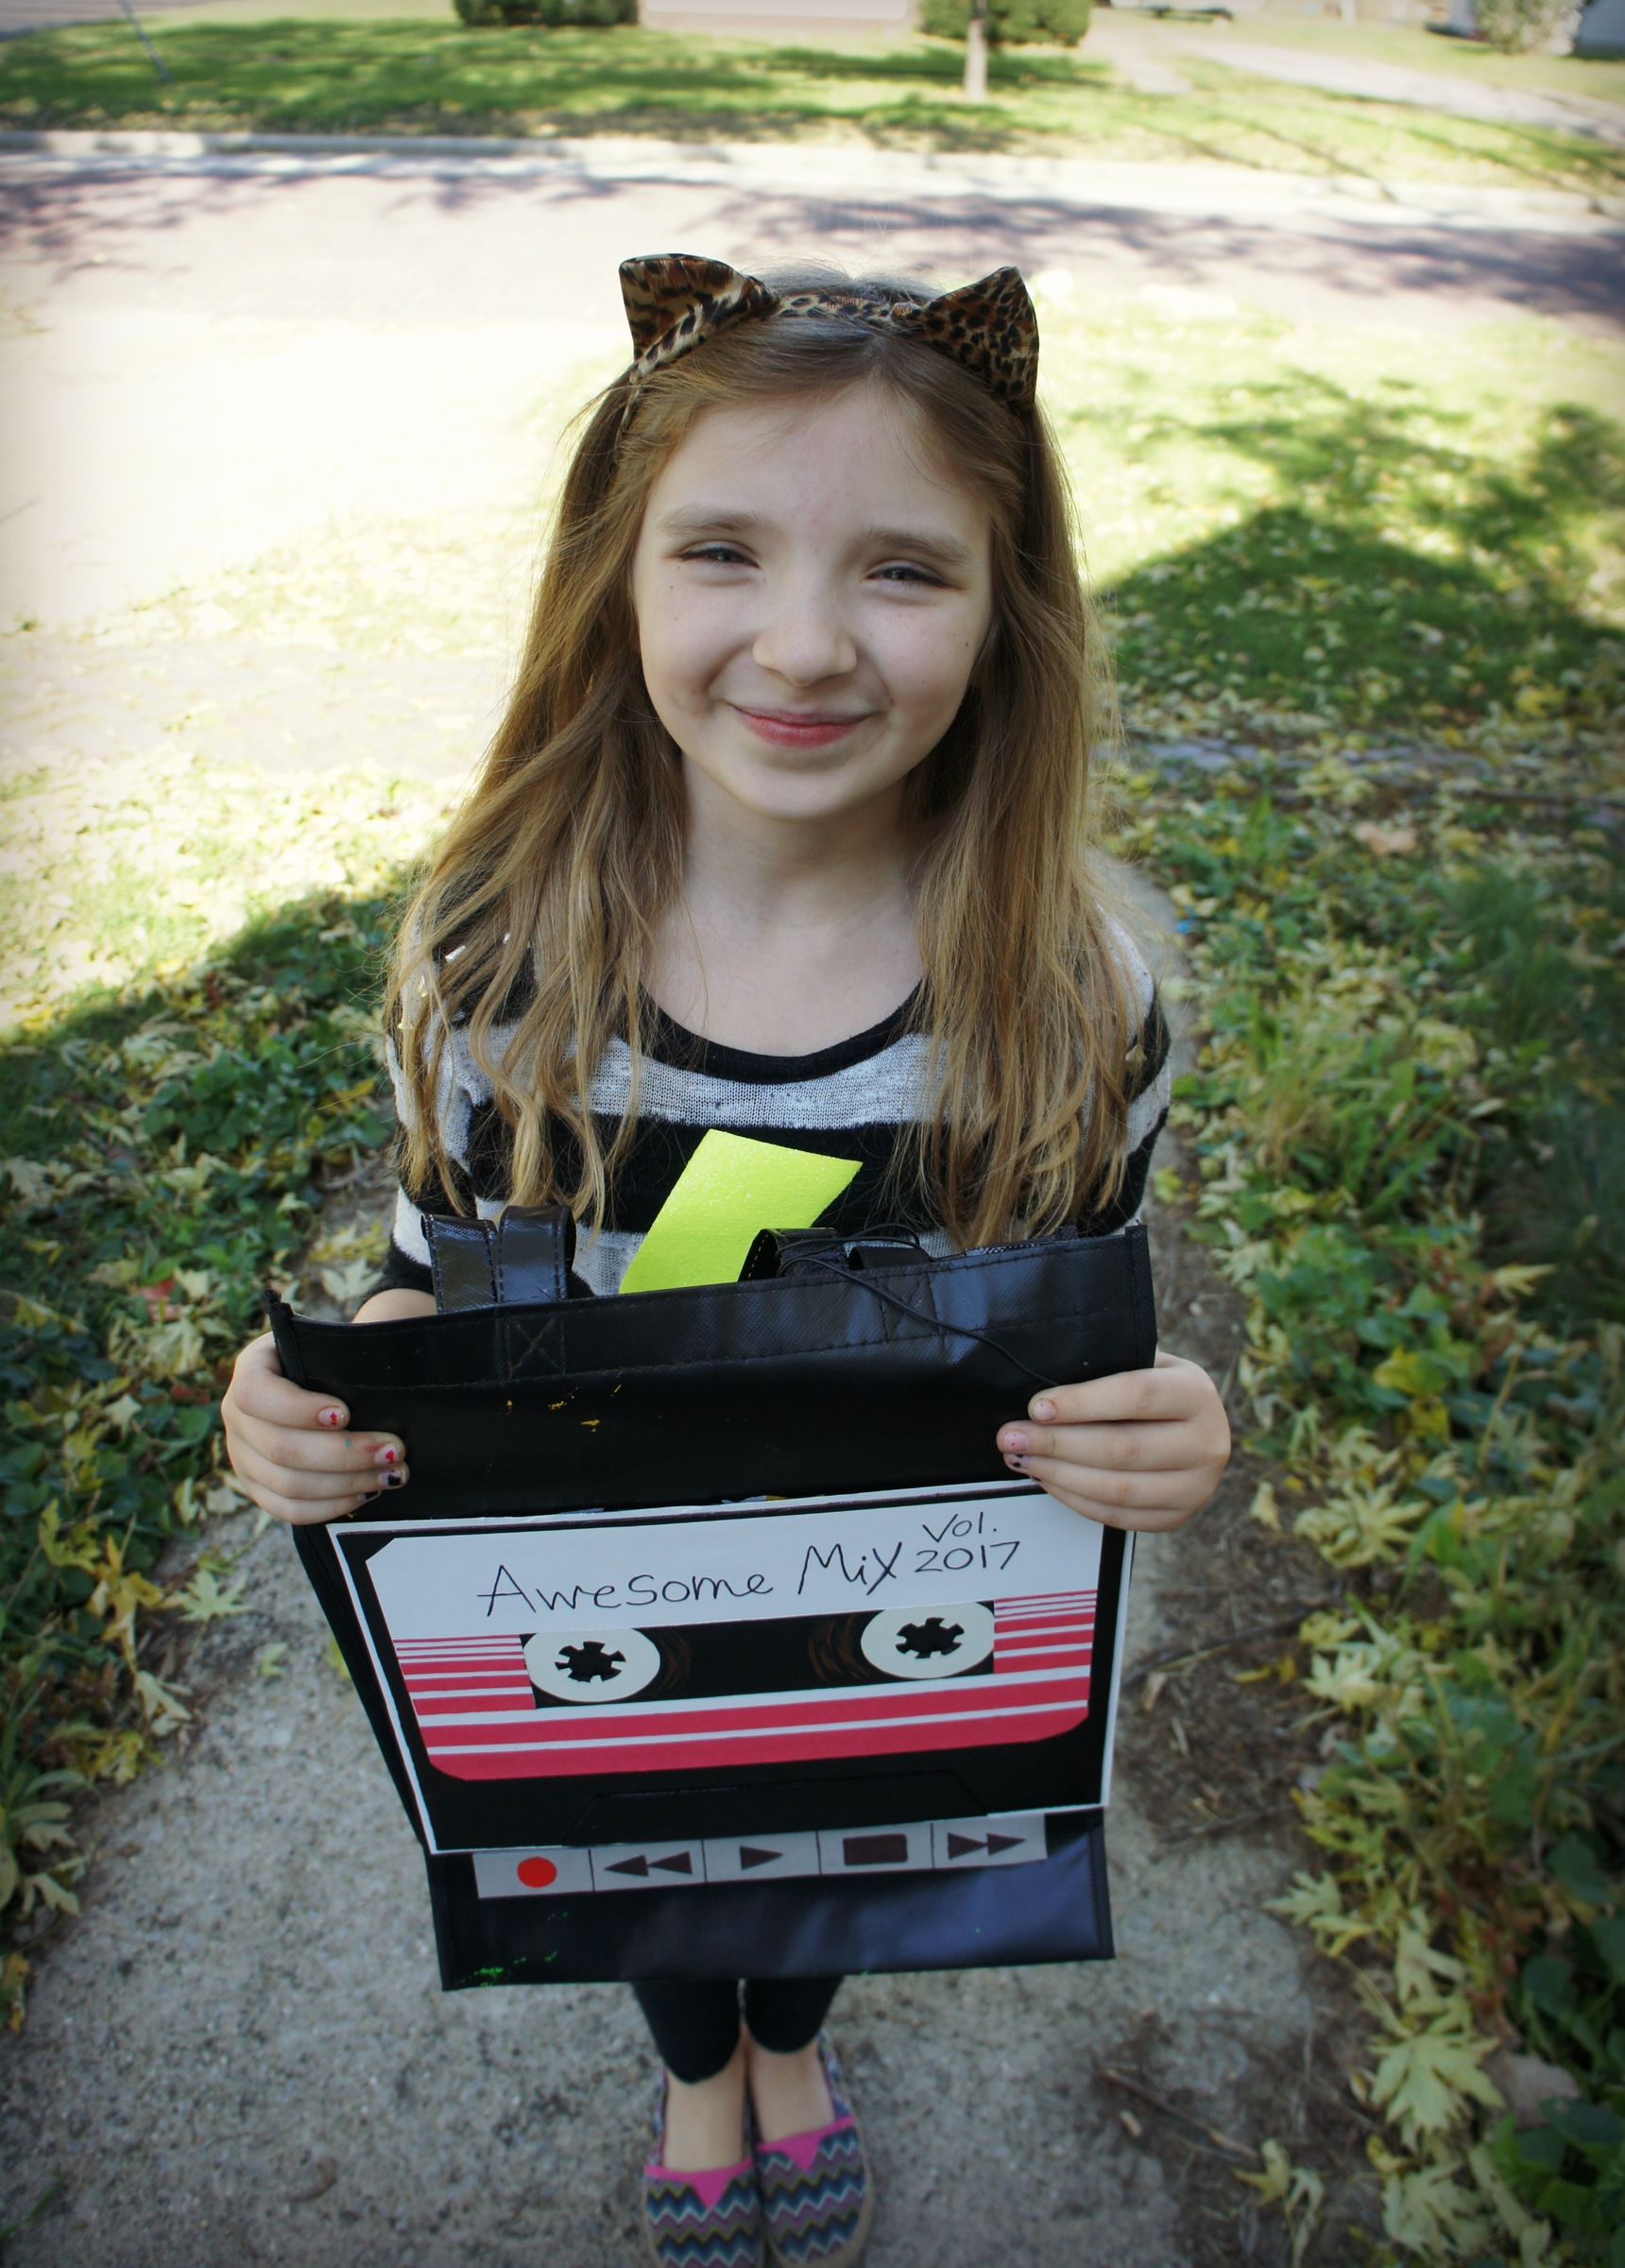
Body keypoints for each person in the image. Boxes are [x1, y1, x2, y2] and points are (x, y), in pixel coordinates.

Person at [221, 252, 1232, 2268]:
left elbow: (1077, 1326)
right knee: (631, 1828)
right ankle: (705, 2068)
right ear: (614, 573)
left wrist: (1166, 1423)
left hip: (881, 1601)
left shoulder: (1078, 994)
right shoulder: (493, 965)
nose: (801, 644)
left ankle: (796, 2037)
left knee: (832, 1809)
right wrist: (331, 1400)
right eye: (720, 552)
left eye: (899, 571)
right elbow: (449, 1280)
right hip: (609, 1586)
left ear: (1005, 611)